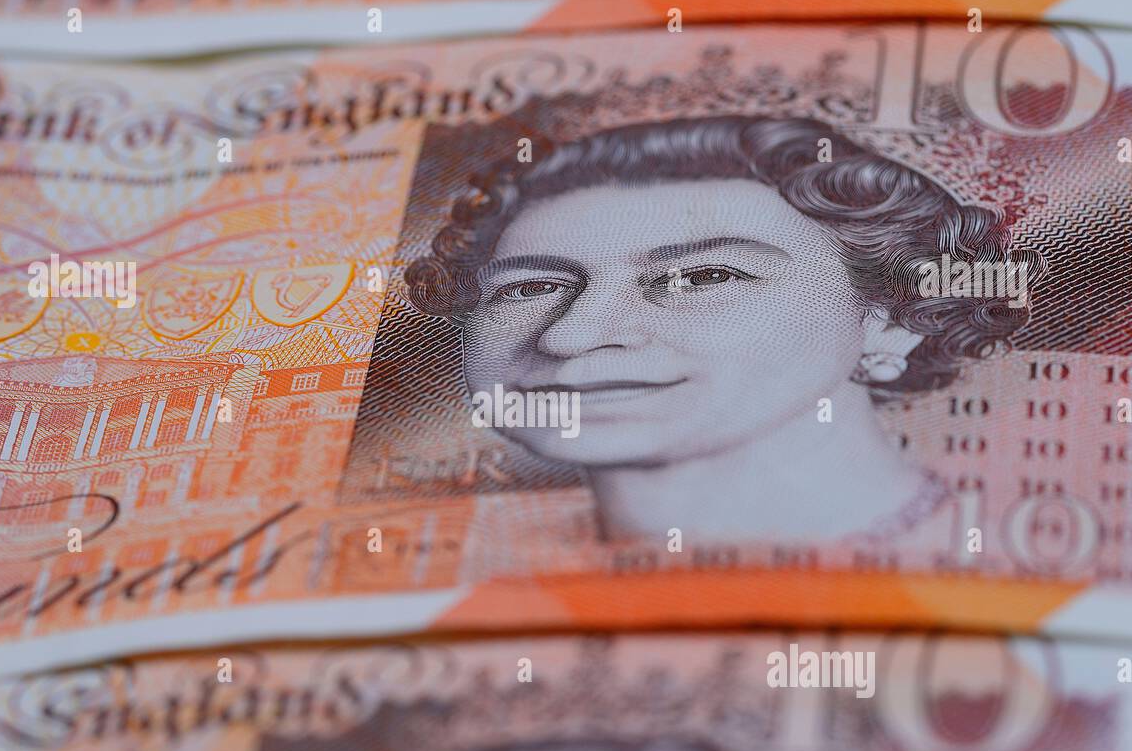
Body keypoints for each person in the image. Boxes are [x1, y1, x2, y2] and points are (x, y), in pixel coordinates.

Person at [405, 116, 1031, 545]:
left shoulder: (1009, 551)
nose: (570, 336)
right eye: (528, 288)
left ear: (889, 320)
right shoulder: (458, 568)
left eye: (702, 276)